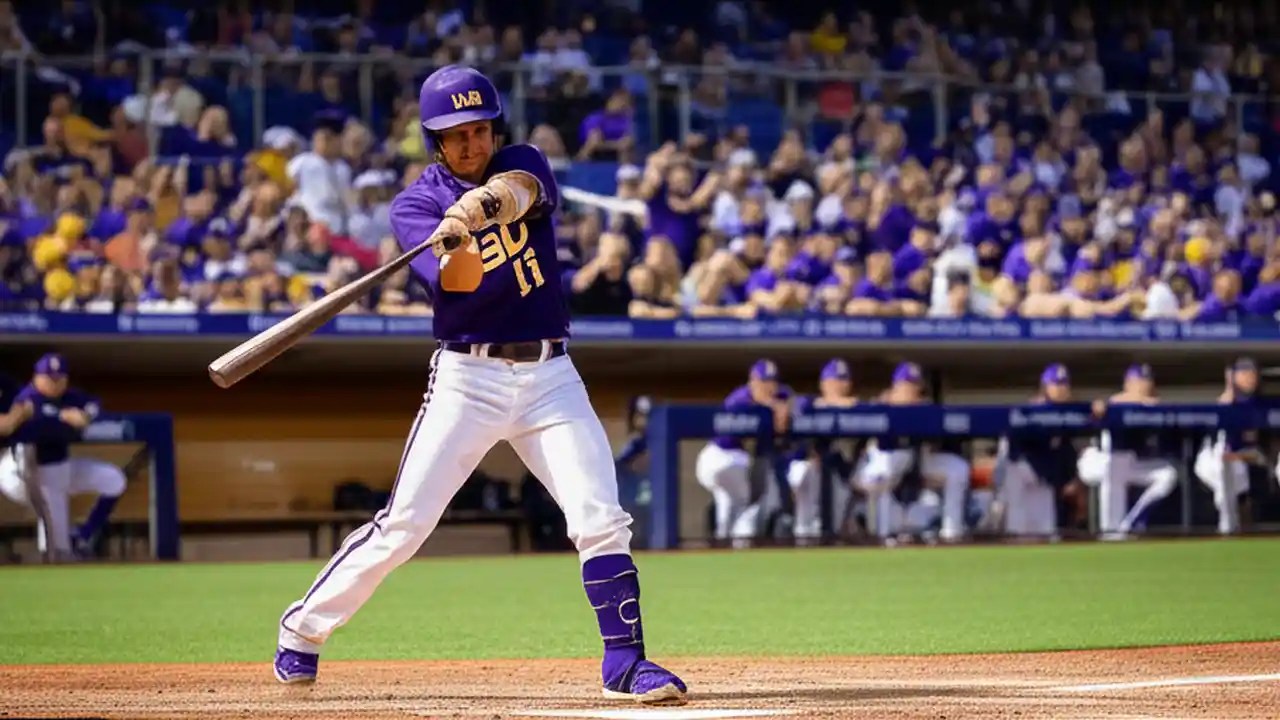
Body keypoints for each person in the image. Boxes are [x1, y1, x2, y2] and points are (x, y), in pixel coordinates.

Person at [273, 65, 687, 706]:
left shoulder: (523, 161)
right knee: (404, 526)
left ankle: (626, 663)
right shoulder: (414, 207)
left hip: (551, 376)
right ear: (434, 141)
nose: (470, 144)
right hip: (468, 379)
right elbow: (460, 287)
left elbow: (521, 190)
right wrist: (453, 245)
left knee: (601, 518)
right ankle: (302, 630)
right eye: (455, 135)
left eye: (479, 130)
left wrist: (477, 208)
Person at [0, 354, 126, 561]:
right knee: (57, 545)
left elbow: (94, 404)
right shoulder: (28, 399)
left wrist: (85, 416)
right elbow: (27, 420)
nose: (54, 383)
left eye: (59, 378)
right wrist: (63, 416)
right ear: (36, 377)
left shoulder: (71, 396)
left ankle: (83, 535)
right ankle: (51, 554)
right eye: (49, 378)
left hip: (58, 469)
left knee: (114, 479)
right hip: (20, 473)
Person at [854, 363, 972, 543]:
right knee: (890, 468)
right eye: (907, 385)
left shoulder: (924, 408)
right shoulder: (881, 405)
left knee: (958, 468)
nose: (911, 390)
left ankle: (951, 532)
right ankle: (883, 536)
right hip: (881, 463)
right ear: (896, 386)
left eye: (915, 386)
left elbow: (942, 437)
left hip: (918, 461)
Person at [695, 360, 790, 547]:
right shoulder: (739, 398)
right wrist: (773, 408)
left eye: (772, 382)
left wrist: (783, 405)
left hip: (735, 461)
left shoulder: (779, 394)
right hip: (720, 457)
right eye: (764, 382)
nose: (769, 387)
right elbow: (756, 411)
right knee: (747, 501)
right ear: (753, 381)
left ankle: (723, 543)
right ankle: (738, 543)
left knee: (730, 502)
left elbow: (791, 399)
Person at [1078, 364, 1178, 538]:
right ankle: (1110, 530)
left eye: (1147, 381)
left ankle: (1130, 524)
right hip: (1095, 460)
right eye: (1139, 381)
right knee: (1116, 463)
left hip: (1128, 462)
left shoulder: (1152, 406)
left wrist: (1149, 405)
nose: (1144, 386)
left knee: (1168, 475)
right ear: (1128, 384)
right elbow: (1102, 410)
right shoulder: (1116, 402)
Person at [993, 364, 1079, 538]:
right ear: (1045, 387)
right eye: (1056, 384)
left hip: (1044, 476)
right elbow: (1012, 448)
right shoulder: (1032, 410)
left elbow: (1067, 448)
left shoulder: (1071, 414)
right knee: (1018, 528)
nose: (1061, 389)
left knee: (1046, 531)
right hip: (1020, 470)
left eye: (1064, 384)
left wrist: (1069, 477)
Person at [786, 359, 858, 541]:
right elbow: (797, 407)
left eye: (844, 381)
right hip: (798, 465)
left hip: (835, 471)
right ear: (823, 384)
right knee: (806, 472)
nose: (840, 386)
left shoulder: (853, 409)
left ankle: (831, 536)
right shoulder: (807, 402)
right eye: (835, 381)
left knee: (841, 495)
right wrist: (834, 404)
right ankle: (802, 534)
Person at [1195, 358, 1264, 535]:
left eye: (1253, 374)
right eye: (1245, 374)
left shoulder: (1255, 404)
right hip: (1209, 459)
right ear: (1235, 377)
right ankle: (1227, 528)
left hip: (1238, 459)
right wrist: (1229, 386)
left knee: (1237, 475)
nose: (1251, 378)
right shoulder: (1227, 401)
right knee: (1226, 465)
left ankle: (1234, 529)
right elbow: (1224, 405)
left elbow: (1254, 447)